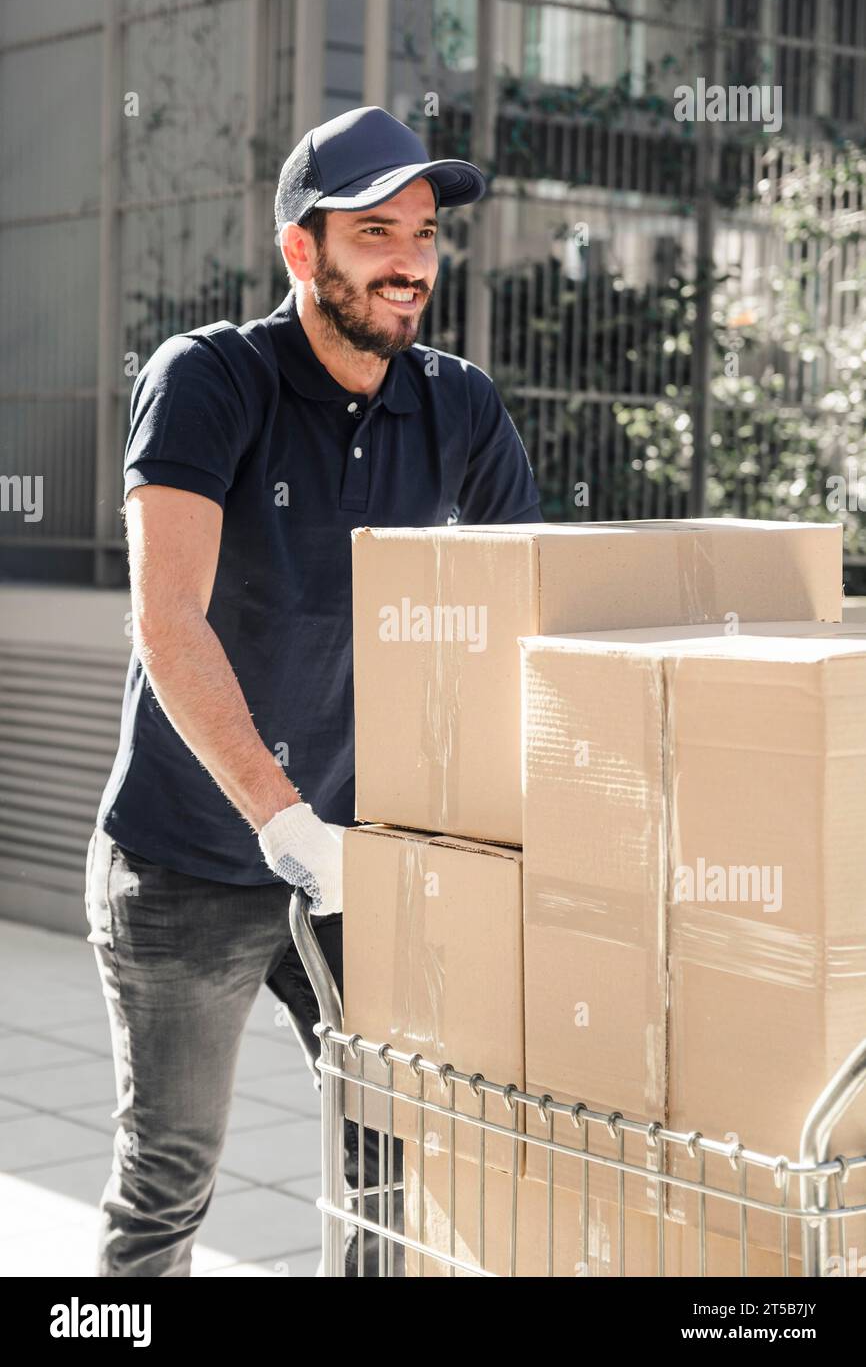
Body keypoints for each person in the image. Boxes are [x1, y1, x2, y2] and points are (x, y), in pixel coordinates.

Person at [84, 104, 543, 1278]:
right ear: (303, 250)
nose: (408, 262)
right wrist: (282, 818)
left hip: (359, 864)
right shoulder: (209, 381)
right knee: (165, 1177)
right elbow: (166, 617)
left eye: (426, 234)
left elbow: (524, 616)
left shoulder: (458, 407)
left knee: (393, 1165)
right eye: (376, 231)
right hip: (190, 860)